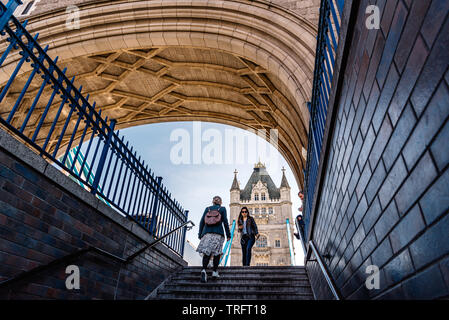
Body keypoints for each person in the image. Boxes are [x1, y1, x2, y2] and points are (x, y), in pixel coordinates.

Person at [197, 196, 231, 283]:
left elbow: (202, 222)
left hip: (207, 233)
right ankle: (215, 272)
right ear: (221, 202)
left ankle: (204, 270)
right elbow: (225, 222)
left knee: (207, 252)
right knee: (217, 253)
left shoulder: (207, 209)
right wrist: (228, 235)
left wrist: (200, 234)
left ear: (213, 201)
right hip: (218, 233)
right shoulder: (222, 209)